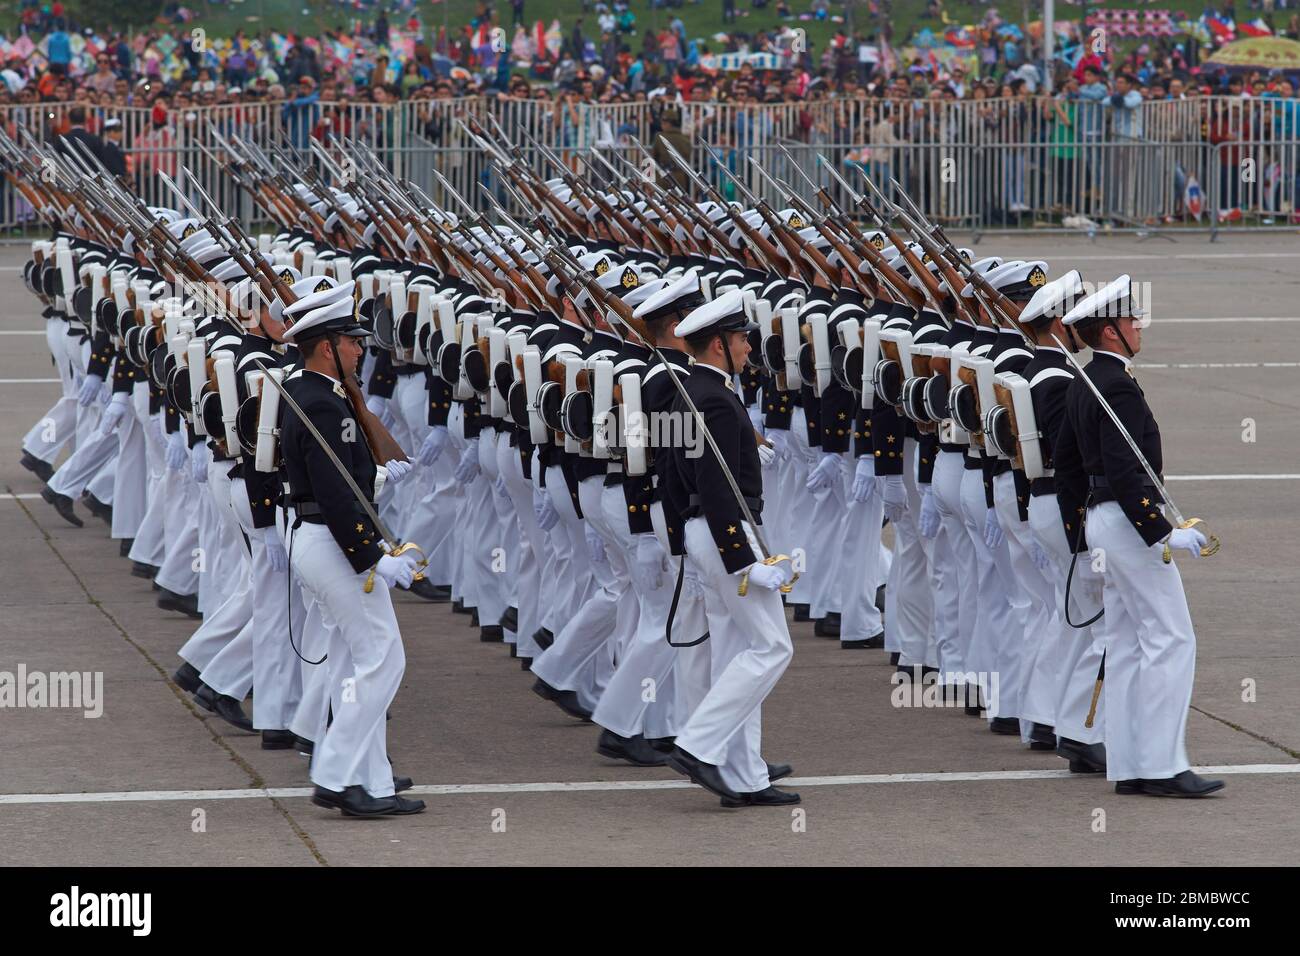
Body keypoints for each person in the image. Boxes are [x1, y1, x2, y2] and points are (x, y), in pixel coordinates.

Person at [1053, 275, 1224, 799]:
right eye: (1130, 320)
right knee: (1172, 639)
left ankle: (1128, 763)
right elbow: (1129, 474)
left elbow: (1066, 468)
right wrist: (1162, 535)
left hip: (1104, 521)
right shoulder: (1118, 386)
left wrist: (1081, 537)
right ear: (1110, 332)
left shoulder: (1084, 381)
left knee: (1126, 643)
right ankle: (1162, 764)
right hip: (1129, 523)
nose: (1137, 326)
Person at [279, 294, 427, 818]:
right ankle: (336, 773)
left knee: (350, 661)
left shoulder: (307, 389)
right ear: (325, 348)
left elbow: (333, 474)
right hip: (334, 542)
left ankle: (370, 780)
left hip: (319, 536)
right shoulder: (321, 400)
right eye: (350, 342)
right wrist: (371, 557)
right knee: (384, 657)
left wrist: (379, 476)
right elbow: (334, 490)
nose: (360, 351)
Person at [659, 283, 799, 808]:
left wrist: (689, 542)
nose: (747, 348)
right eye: (741, 339)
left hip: (709, 535)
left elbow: (672, 475)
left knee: (736, 651)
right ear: (718, 344)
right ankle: (699, 744)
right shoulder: (715, 398)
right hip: (728, 535)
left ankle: (744, 775)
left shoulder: (688, 391)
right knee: (771, 646)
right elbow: (717, 487)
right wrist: (742, 560)